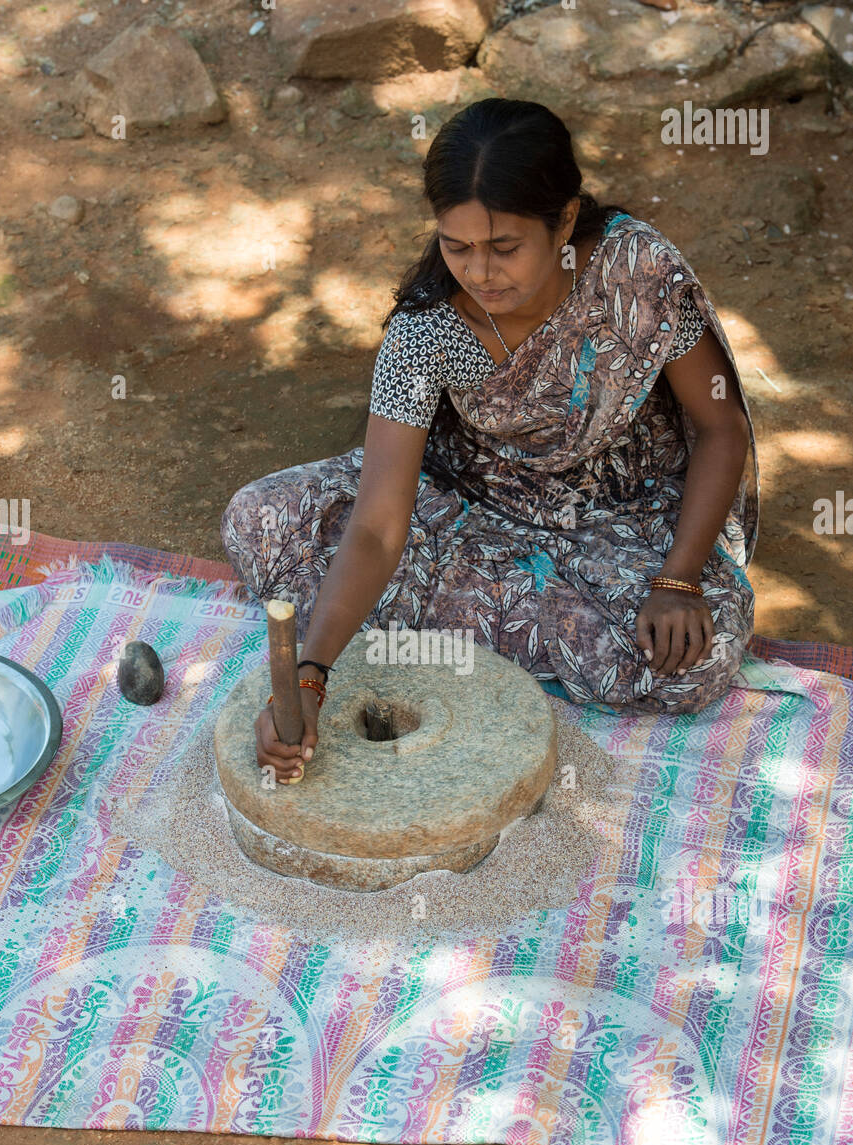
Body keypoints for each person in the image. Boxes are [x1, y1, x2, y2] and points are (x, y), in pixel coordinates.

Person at [221, 98, 759, 784]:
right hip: (468, 505)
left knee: (693, 657)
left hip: (620, 522)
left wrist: (678, 579)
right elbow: (381, 525)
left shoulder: (635, 272)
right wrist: (310, 676)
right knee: (259, 520)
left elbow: (720, 428)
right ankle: (505, 618)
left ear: (563, 219)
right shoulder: (426, 333)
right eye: (456, 247)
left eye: (504, 247)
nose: (478, 273)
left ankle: (448, 620)